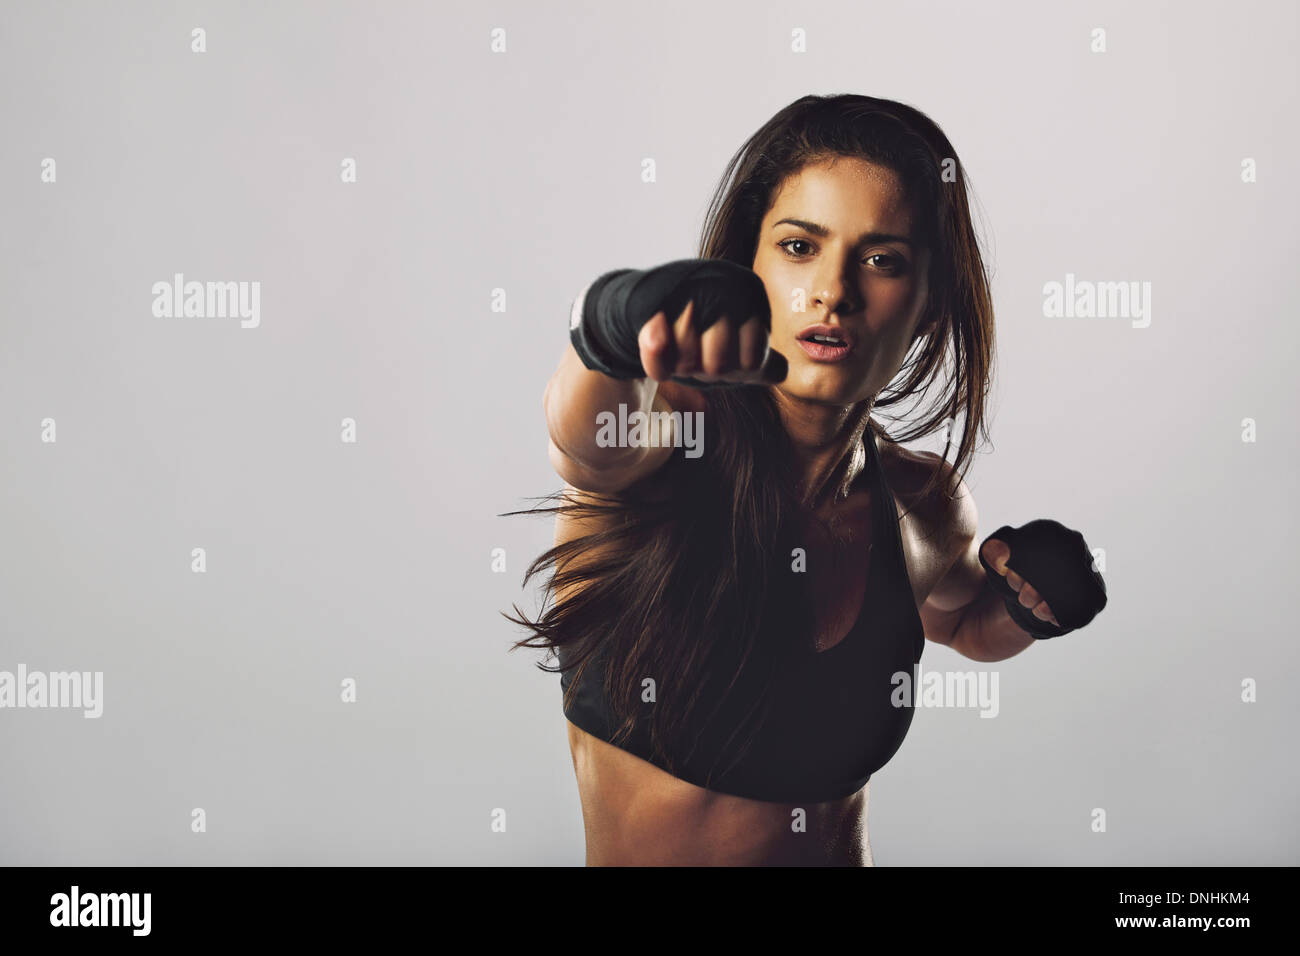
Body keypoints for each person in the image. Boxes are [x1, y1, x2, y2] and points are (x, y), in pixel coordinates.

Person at [504, 93, 1107, 866]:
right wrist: (619, 320)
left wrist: (1032, 607)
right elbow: (582, 435)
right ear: (747, 266)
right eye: (798, 247)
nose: (834, 291)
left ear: (928, 304)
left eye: (882, 259)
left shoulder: (922, 506)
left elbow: (962, 622)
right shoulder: (663, 443)